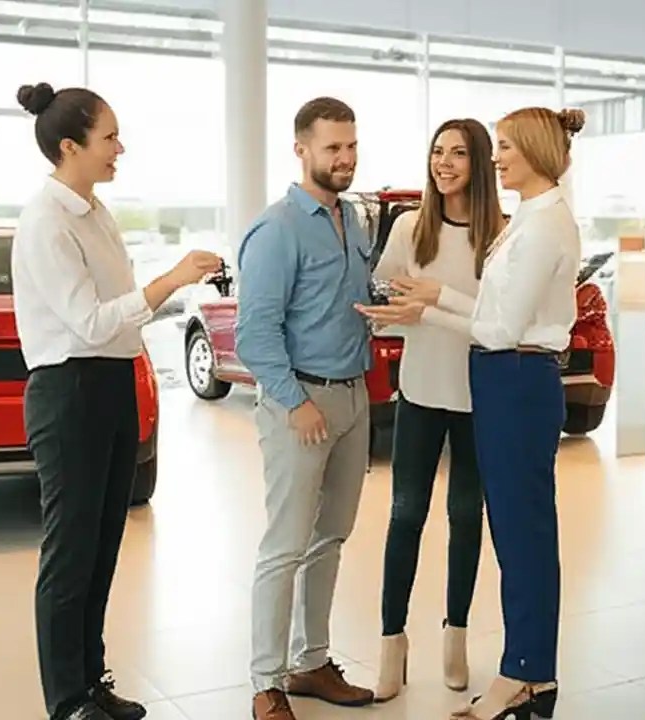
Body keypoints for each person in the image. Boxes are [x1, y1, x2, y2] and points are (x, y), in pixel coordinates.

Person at [357, 106, 585, 720]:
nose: (495, 158)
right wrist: (439, 301)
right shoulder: (534, 219)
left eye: (503, 146)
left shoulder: (541, 226)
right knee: (518, 536)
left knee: (522, 537)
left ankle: (526, 675)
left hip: (515, 375)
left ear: (535, 150)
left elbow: (502, 324)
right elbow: (497, 307)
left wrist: (432, 303)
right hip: (504, 374)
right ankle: (526, 674)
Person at [10, 81, 222, 720]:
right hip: (68, 391)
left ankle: (91, 680)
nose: (119, 149)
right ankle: (66, 699)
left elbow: (118, 322)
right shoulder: (45, 222)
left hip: (109, 384)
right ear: (69, 146)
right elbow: (91, 323)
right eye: (109, 138)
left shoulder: (92, 211)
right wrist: (172, 279)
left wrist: (174, 298)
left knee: (103, 544)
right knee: (71, 551)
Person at [236, 96, 377, 720]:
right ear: (302, 150)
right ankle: (266, 681)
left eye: (351, 146)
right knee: (285, 544)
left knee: (332, 537)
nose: (344, 158)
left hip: (354, 396)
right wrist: (295, 404)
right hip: (303, 401)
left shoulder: (354, 220)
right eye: (332, 148)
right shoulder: (276, 229)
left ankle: (310, 661)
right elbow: (255, 334)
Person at [368, 118, 504, 702]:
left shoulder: (501, 233)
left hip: (479, 398)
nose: (443, 162)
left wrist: (434, 307)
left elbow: (500, 317)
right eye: (437, 151)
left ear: (478, 163)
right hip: (421, 392)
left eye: (457, 153)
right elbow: (386, 288)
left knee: (465, 518)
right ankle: (391, 645)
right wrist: (396, 305)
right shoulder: (409, 226)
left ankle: (456, 639)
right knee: (404, 515)